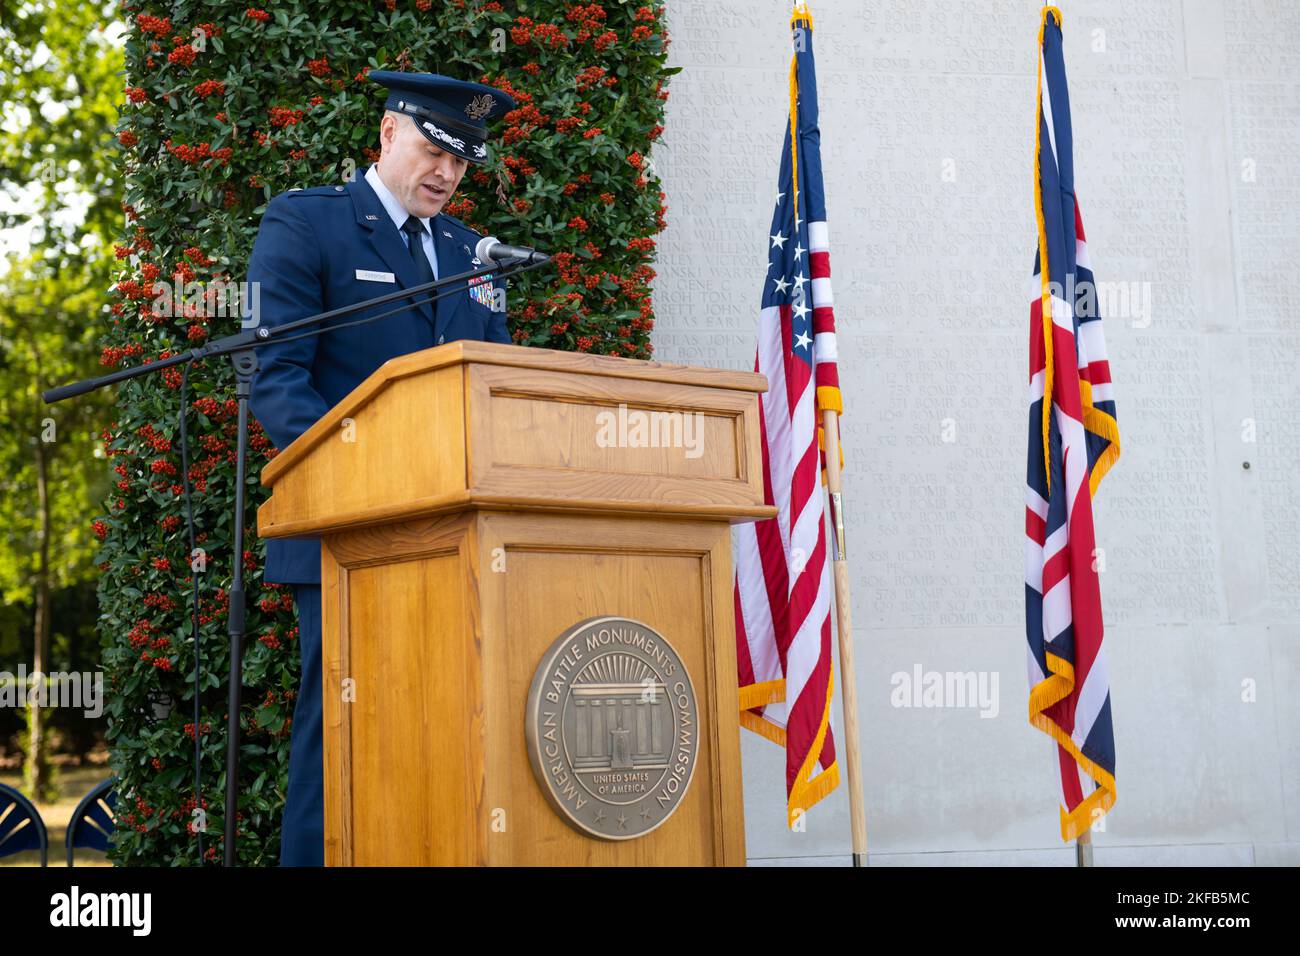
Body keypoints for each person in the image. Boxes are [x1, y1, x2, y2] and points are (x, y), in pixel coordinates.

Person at [246, 71, 515, 866]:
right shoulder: (309, 222)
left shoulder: (475, 251)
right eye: (434, 150)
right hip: (348, 538)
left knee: (446, 733)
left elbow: (490, 387)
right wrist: (377, 480)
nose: (445, 174)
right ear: (389, 135)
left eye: (461, 165)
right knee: (340, 736)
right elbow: (279, 383)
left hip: (458, 538)